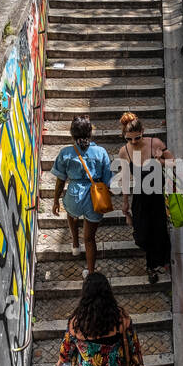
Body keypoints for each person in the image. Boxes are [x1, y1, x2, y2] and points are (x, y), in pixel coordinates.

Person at [51, 115, 113, 277]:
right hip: (94, 198)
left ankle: (75, 243)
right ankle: (91, 272)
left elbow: (60, 181)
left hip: (74, 196)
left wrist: (56, 200)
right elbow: (107, 181)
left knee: (71, 214)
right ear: (90, 133)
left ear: (72, 134)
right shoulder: (101, 152)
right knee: (90, 238)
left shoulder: (65, 153)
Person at [118, 112, 173, 284]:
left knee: (159, 230)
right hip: (140, 197)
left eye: (137, 137)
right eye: (129, 139)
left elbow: (174, 162)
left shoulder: (155, 143)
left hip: (158, 195)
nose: (133, 142)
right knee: (143, 234)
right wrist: (125, 201)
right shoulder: (124, 151)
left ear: (143, 131)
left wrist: (160, 161)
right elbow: (126, 177)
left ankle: (154, 265)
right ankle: (156, 260)